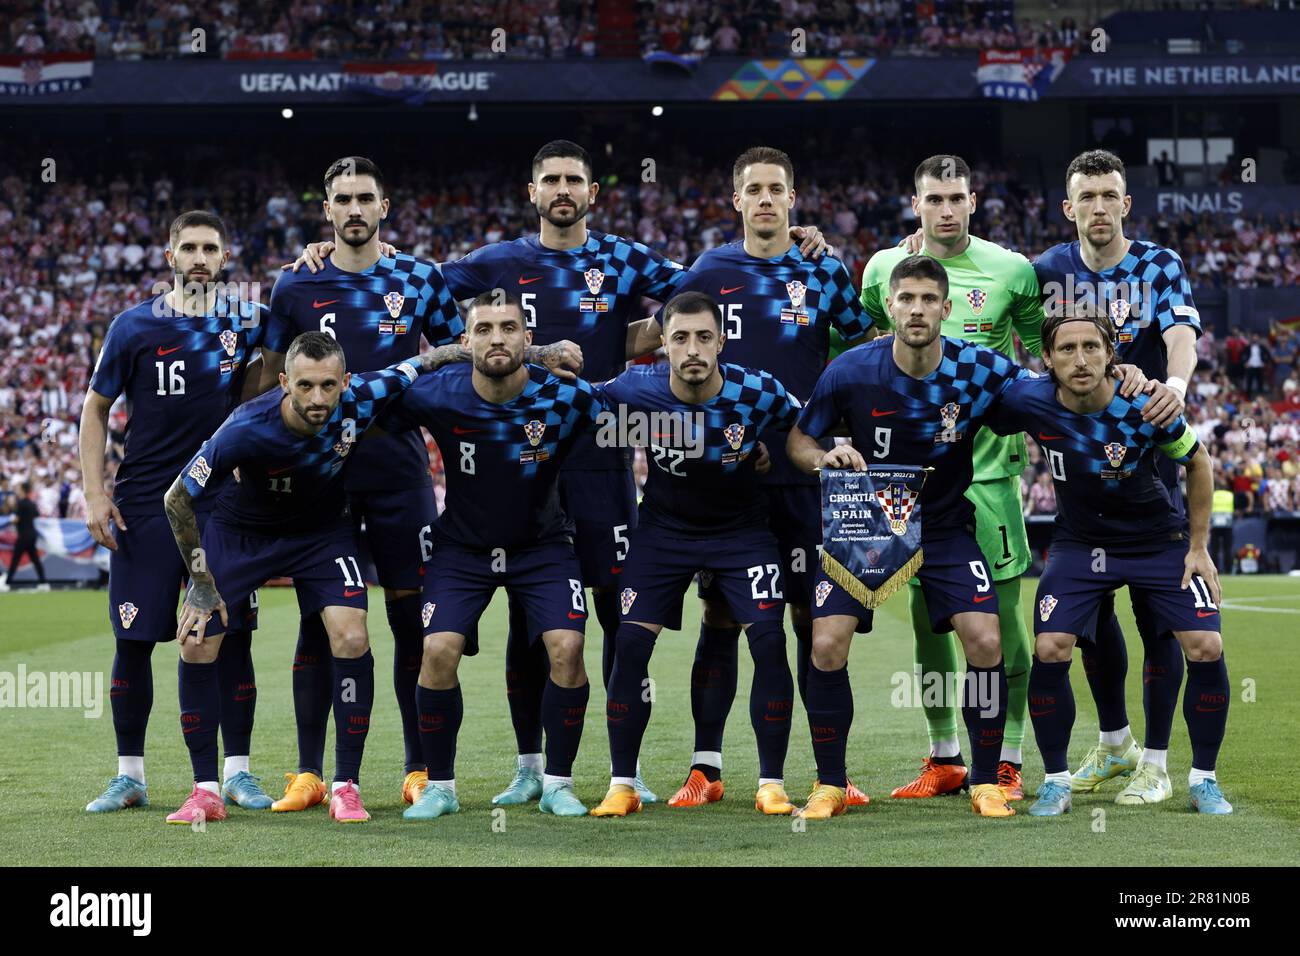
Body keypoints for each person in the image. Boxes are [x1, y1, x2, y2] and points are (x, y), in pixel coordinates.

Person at [258, 156, 576, 811]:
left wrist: (539, 356)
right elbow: (267, 381)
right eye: (341, 198)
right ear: (326, 210)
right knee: (320, 622)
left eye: (364, 197)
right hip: (322, 476)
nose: (353, 209)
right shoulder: (294, 287)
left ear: (384, 207)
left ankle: (419, 770)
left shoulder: (418, 278)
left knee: (412, 621)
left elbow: (470, 350)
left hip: (399, 471)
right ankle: (310, 773)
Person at [161, 332, 455, 825]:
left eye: (327, 386)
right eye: (304, 386)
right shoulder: (245, 427)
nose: (318, 398)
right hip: (245, 533)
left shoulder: (363, 395)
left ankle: (345, 786)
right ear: (283, 383)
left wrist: (538, 355)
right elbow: (177, 498)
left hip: (322, 532)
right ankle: (205, 790)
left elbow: (432, 359)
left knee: (352, 633)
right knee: (196, 639)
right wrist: (201, 581)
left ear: (344, 381)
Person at [655, 146, 873, 807]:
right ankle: (706, 768)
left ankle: (830, 774)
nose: (767, 199)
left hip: (807, 476)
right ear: (737, 200)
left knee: (817, 622)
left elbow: (866, 350)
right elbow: (671, 340)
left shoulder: (824, 269)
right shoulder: (709, 268)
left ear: (794, 198)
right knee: (722, 617)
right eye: (755, 189)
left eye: (778, 188)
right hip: (729, 478)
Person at [787, 255, 1030, 820]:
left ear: (947, 309)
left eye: (928, 300)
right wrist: (827, 456)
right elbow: (800, 439)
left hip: (944, 526)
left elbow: (1045, 397)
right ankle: (830, 784)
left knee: (987, 640)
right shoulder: (850, 370)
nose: (916, 309)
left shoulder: (981, 369)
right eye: (906, 299)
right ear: (889, 306)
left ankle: (988, 781)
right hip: (865, 526)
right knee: (824, 644)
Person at [983, 310, 1232, 815]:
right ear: (1047, 359)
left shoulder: (1146, 404)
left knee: (1206, 645)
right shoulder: (1027, 398)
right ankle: (1055, 780)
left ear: (1110, 356)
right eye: (1067, 349)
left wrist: (1198, 547)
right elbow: (969, 397)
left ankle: (1203, 779)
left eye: (1091, 348)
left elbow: (1198, 461)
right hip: (1079, 544)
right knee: (1050, 646)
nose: (1080, 359)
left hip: (1158, 541)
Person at [856, 155, 1045, 802]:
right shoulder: (884, 269)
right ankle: (944, 756)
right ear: (915, 203)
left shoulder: (1012, 271)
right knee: (925, 616)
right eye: (933, 198)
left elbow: (1040, 357)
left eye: (956, 197)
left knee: (1004, 620)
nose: (945, 209)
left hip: (988, 471)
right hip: (906, 476)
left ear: (974, 200)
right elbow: (859, 352)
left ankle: (1011, 756)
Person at [385, 292, 606, 820]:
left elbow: (634, 423)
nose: (497, 338)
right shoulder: (438, 392)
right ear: (465, 342)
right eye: (483, 329)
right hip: (462, 548)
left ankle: (557, 782)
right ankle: (440, 786)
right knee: (436, 651)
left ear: (529, 340)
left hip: (543, 546)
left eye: (509, 327)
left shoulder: (566, 397)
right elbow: (365, 398)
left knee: (567, 648)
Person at [78, 211, 269, 816]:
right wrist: (94, 492)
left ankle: (237, 773)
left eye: (209, 247)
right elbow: (94, 408)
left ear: (224, 256)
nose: (198, 257)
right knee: (134, 639)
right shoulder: (133, 327)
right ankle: (129, 775)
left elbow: (260, 396)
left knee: (230, 635)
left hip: (220, 505)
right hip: (143, 506)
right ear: (169, 254)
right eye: (188, 246)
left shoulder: (248, 321)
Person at [587, 291, 803, 817]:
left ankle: (770, 783)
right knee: (630, 645)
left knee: (770, 644)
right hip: (663, 531)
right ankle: (622, 785)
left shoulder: (758, 391)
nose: (693, 349)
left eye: (704, 337)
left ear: (721, 340)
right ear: (661, 344)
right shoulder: (634, 389)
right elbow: (573, 403)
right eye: (680, 338)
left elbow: (806, 426)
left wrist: (774, 451)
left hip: (742, 532)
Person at [1034, 149, 1203, 805]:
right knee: (1087, 609)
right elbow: (988, 302)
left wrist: (1175, 386)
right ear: (1068, 207)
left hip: (1148, 446)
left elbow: (1181, 333)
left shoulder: (1159, 263)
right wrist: (922, 243)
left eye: (1110, 195)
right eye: (1087, 196)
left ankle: (1156, 764)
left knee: (1156, 612)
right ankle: (1113, 744)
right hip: (1076, 453)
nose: (1099, 207)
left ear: (1126, 204)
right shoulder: (1045, 271)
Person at [2, 481, 47, 591]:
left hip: (23, 536)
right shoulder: (31, 503)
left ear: (22, 490)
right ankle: (44, 583)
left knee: (15, 560)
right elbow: (36, 514)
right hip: (32, 535)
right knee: (35, 560)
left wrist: (10, 520)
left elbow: (16, 519)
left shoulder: (20, 503)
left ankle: (7, 583)